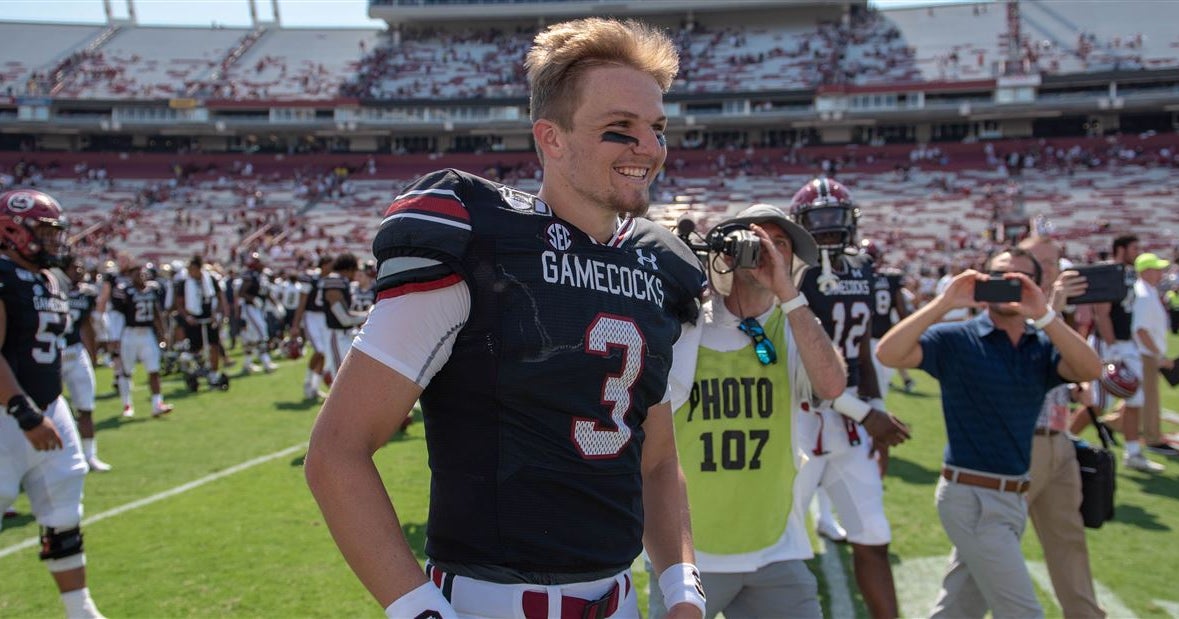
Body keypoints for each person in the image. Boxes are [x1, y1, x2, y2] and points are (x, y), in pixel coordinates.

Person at [306, 18, 708, 619]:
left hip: (620, 601)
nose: (648, 149)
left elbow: (655, 459)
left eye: (656, 128)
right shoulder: (477, 238)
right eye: (619, 130)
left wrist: (681, 589)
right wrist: (420, 610)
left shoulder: (659, 266)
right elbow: (337, 450)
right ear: (552, 138)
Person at [876, 246, 1102, 619]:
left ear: (1035, 285)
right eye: (998, 277)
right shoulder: (957, 337)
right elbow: (889, 353)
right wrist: (945, 303)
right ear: (983, 281)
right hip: (972, 497)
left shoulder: (1041, 345)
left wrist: (1044, 313)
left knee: (959, 609)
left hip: (1013, 496)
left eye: (1018, 279)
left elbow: (1090, 369)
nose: (1007, 287)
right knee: (1024, 612)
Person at [651, 204, 845, 618]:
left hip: (777, 547)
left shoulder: (794, 325)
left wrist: (789, 295)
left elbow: (831, 385)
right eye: (757, 243)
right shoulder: (686, 325)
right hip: (690, 551)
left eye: (781, 245)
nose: (769, 253)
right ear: (726, 251)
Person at [790, 177, 910, 619]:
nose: (826, 229)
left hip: (853, 418)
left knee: (873, 536)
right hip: (799, 415)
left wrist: (874, 408)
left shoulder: (862, 269)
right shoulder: (793, 274)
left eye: (834, 219)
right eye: (816, 220)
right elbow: (803, 361)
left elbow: (860, 350)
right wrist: (866, 414)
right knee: (782, 544)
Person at [0, 189, 105, 618]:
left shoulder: (51, 279)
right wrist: (23, 411)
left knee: (63, 511)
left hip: (48, 403)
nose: (53, 240)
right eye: (43, 231)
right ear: (12, 230)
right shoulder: (3, 275)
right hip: (11, 411)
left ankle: (80, 610)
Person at [1018, 235, 1106, 618]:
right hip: (1017, 444)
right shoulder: (1007, 306)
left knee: (1068, 540)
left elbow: (1053, 366)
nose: (1053, 270)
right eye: (1043, 262)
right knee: (990, 543)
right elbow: (1019, 360)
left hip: (1059, 437)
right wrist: (1050, 309)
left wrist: (1075, 385)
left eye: (1055, 261)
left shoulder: (1055, 310)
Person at [1089, 235, 1160, 470]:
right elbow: (1102, 313)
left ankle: (1133, 453)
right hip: (1109, 344)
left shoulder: (1128, 273)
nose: (1137, 251)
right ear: (1121, 249)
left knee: (1135, 399)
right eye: (1134, 248)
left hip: (1125, 343)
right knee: (1097, 402)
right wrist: (1112, 348)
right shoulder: (1110, 271)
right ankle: (1066, 437)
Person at [62, 259, 110, 472]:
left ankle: (90, 455)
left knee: (86, 405)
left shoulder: (86, 293)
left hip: (76, 349)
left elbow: (86, 324)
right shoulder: (51, 290)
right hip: (54, 352)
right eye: (74, 267)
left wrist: (91, 354)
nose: (79, 271)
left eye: (80, 267)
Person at [111, 264, 173, 418]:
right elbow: (117, 317)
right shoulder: (125, 291)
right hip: (130, 333)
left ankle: (157, 404)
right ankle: (127, 404)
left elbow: (157, 313)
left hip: (147, 334)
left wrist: (162, 332)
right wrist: (115, 338)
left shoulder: (152, 290)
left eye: (142, 273)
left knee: (154, 369)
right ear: (131, 276)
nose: (141, 276)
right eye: (137, 273)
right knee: (126, 371)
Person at [1129, 253, 1175, 461]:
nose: (1160, 273)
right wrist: (1158, 354)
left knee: (1141, 396)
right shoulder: (1145, 295)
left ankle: (1111, 423)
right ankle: (1152, 438)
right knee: (1149, 398)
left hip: (1147, 352)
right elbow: (1140, 329)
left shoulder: (1147, 292)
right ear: (1146, 271)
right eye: (1156, 269)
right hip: (1147, 353)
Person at [175, 255, 230, 389]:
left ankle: (213, 372)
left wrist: (217, 313)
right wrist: (188, 316)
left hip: (209, 318)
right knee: (195, 349)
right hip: (194, 320)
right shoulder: (184, 283)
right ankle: (197, 369)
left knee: (214, 346)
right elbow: (179, 304)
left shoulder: (210, 279)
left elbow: (219, 297)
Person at [319, 253, 366, 384]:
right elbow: (344, 318)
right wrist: (368, 315)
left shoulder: (340, 281)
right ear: (350, 268)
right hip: (337, 334)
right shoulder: (335, 281)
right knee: (341, 379)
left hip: (347, 334)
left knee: (353, 375)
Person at [290, 255, 332, 400]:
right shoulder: (311, 278)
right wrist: (295, 325)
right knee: (319, 350)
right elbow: (302, 303)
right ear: (323, 264)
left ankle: (314, 387)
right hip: (311, 316)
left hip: (324, 318)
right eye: (329, 264)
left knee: (325, 354)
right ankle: (308, 383)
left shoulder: (332, 280)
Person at [236, 252, 278, 375]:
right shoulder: (250, 275)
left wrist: (276, 306)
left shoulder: (262, 275)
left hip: (259, 309)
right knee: (262, 332)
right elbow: (241, 292)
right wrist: (253, 299)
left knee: (252, 338)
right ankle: (266, 362)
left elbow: (266, 292)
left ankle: (247, 363)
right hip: (250, 308)